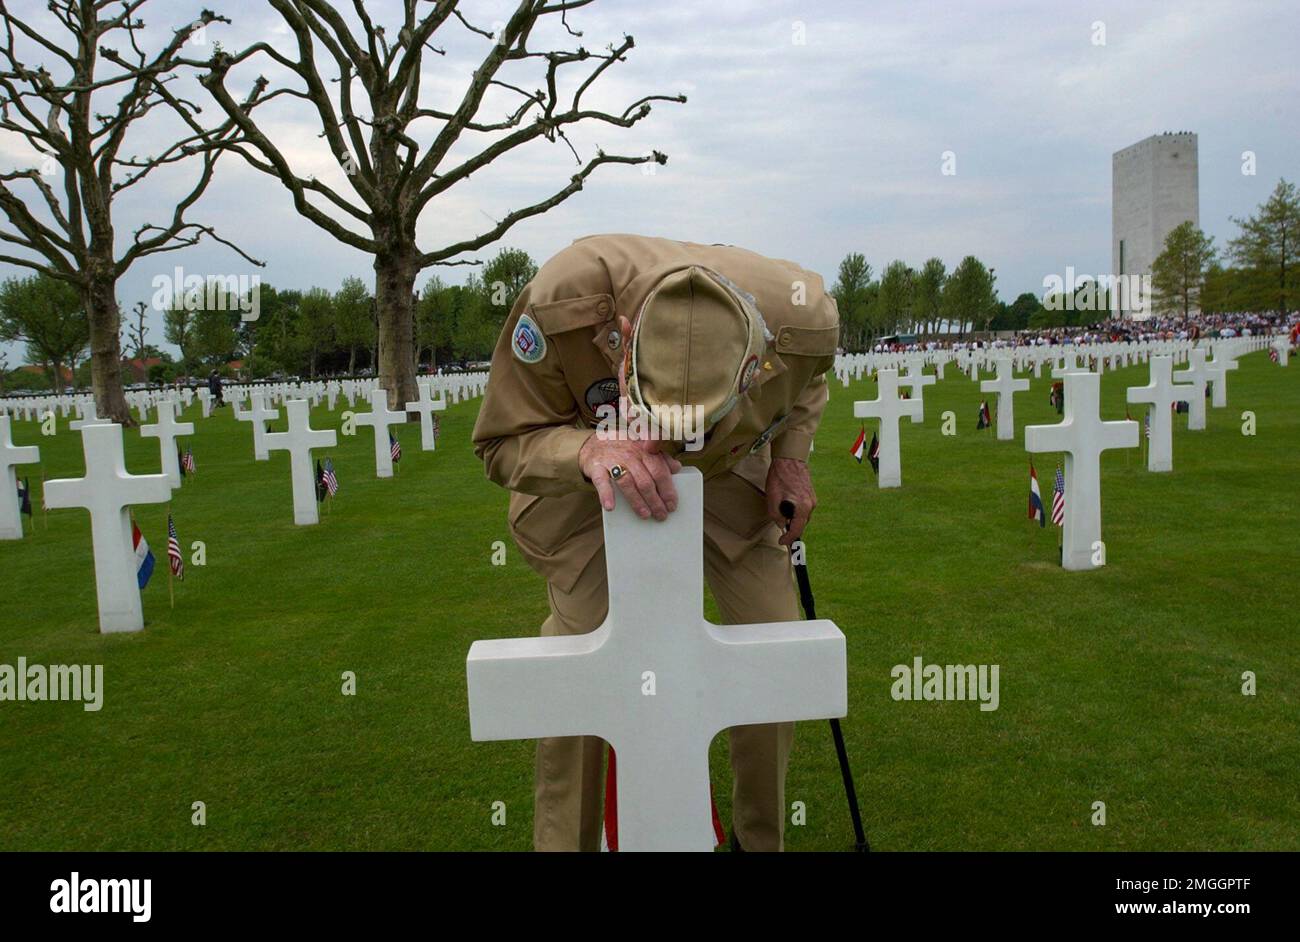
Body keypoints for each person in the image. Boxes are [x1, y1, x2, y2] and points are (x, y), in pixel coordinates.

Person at [472, 233, 838, 851]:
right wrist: (586, 450)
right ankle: (568, 844)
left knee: (774, 640)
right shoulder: (560, 304)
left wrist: (790, 459)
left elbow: (806, 386)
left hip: (727, 471)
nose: (680, 441)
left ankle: (759, 838)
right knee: (582, 656)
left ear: (756, 361)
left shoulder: (802, 317)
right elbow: (502, 441)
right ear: (620, 337)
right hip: (596, 471)